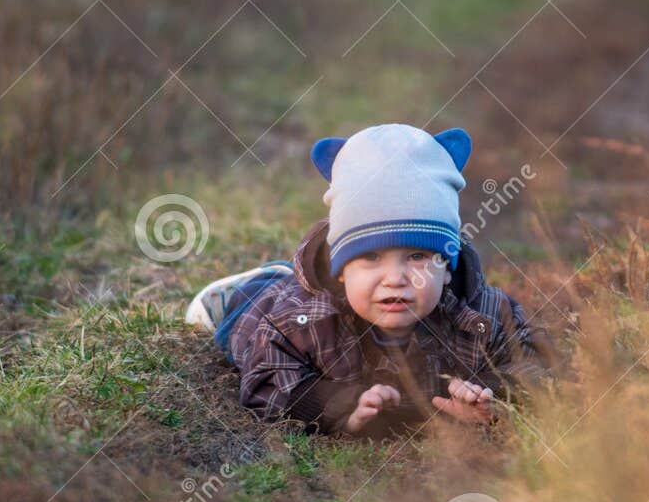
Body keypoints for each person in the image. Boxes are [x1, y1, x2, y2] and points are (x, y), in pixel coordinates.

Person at [185, 124, 547, 437]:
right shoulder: (299, 322)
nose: (395, 279)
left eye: (418, 257)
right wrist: (342, 406)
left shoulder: (481, 314)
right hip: (260, 307)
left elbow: (533, 361)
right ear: (342, 270)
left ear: (448, 267)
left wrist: (492, 395)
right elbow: (269, 381)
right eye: (370, 257)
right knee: (251, 320)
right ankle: (249, 290)